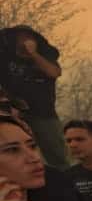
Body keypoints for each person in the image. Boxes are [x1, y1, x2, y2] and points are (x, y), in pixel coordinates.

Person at [0, 26, 66, 169]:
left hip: (44, 114)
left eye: (28, 38)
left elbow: (54, 72)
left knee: (57, 155)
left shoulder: (44, 55)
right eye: (20, 38)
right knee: (17, 155)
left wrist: (34, 54)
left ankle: (64, 185)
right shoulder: (5, 58)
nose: (24, 42)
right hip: (14, 115)